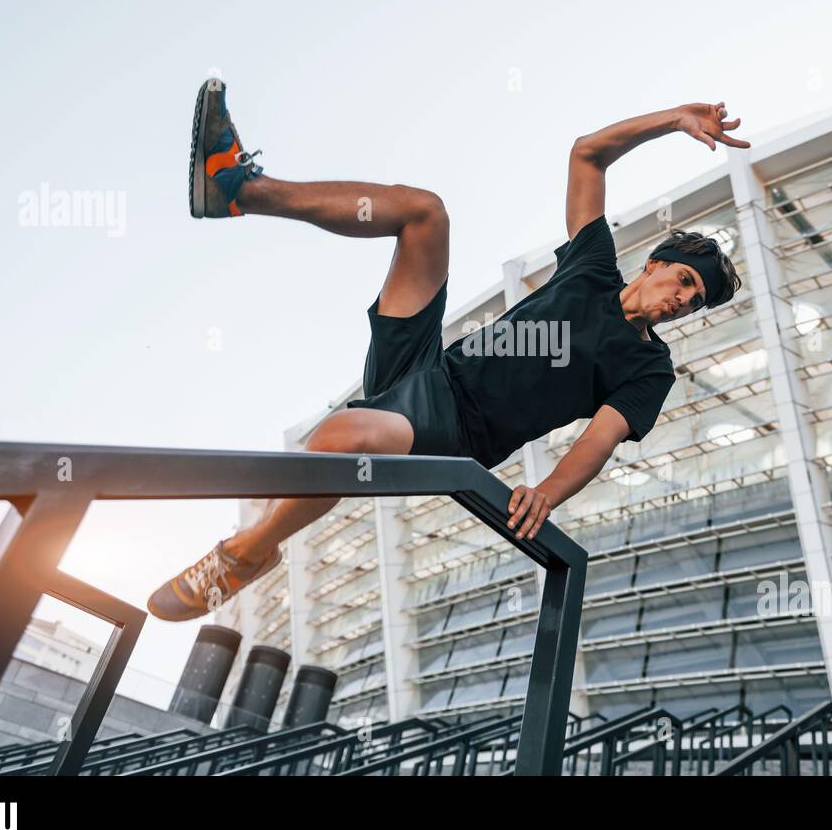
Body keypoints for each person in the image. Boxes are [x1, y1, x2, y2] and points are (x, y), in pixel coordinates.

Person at [147, 79, 749, 621]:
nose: (684, 302)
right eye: (687, 283)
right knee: (424, 213)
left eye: (696, 304)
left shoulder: (648, 367)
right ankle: (238, 189)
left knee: (341, 435)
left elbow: (600, 438)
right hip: (430, 366)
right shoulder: (593, 266)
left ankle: (248, 553)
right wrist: (673, 119)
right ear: (657, 263)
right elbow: (587, 152)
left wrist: (548, 493)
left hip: (454, 428)